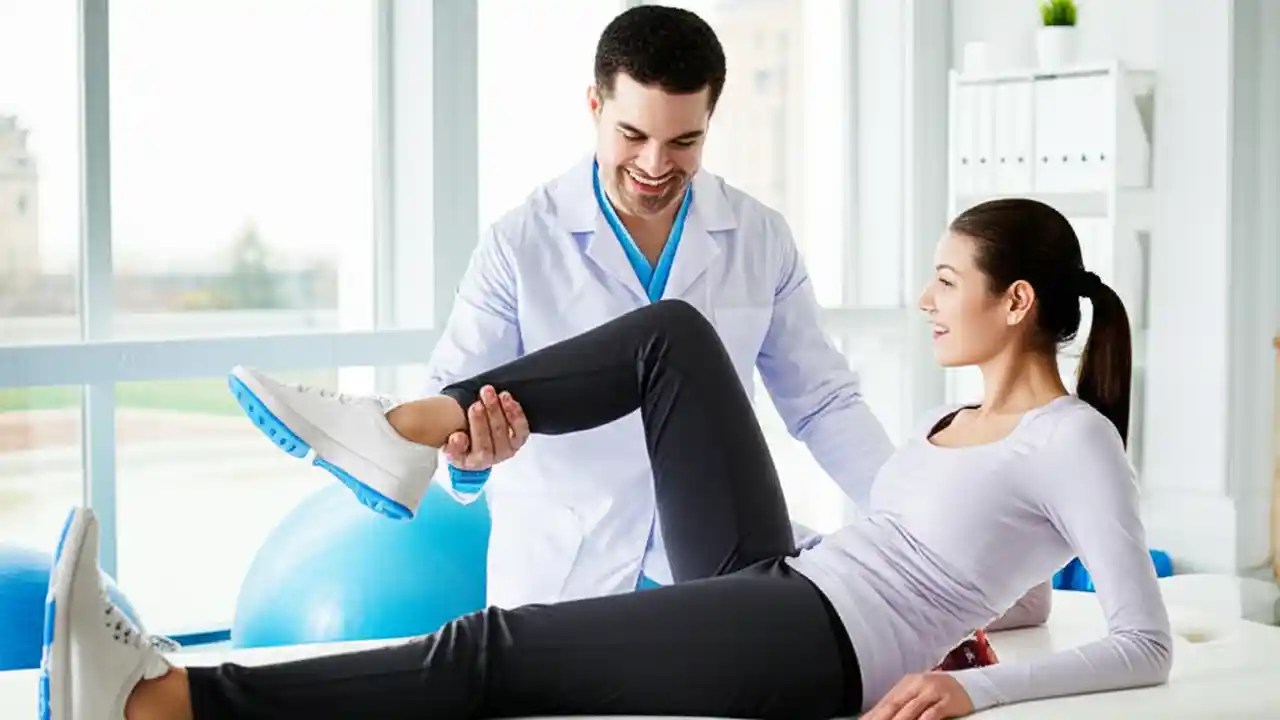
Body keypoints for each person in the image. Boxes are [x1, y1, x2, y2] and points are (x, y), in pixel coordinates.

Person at [44, 198, 1172, 720]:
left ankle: (166, 701)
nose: (922, 299)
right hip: (791, 582)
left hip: (814, 647)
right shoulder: (948, 425)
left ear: (1014, 302)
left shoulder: (1072, 437)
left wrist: (969, 687)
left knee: (494, 653)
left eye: (945, 281)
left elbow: (1142, 643)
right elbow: (986, 566)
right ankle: (410, 431)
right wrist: (978, 611)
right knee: (668, 333)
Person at [240, 3, 897, 606]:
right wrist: (471, 458)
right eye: (632, 134)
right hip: (568, 574)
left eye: (683, 143)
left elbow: (823, 402)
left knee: (669, 338)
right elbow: (460, 412)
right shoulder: (522, 241)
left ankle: (396, 429)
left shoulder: (757, 237)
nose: (654, 163)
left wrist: (914, 516)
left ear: (709, 125)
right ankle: (410, 430)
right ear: (593, 106)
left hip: (702, 567)